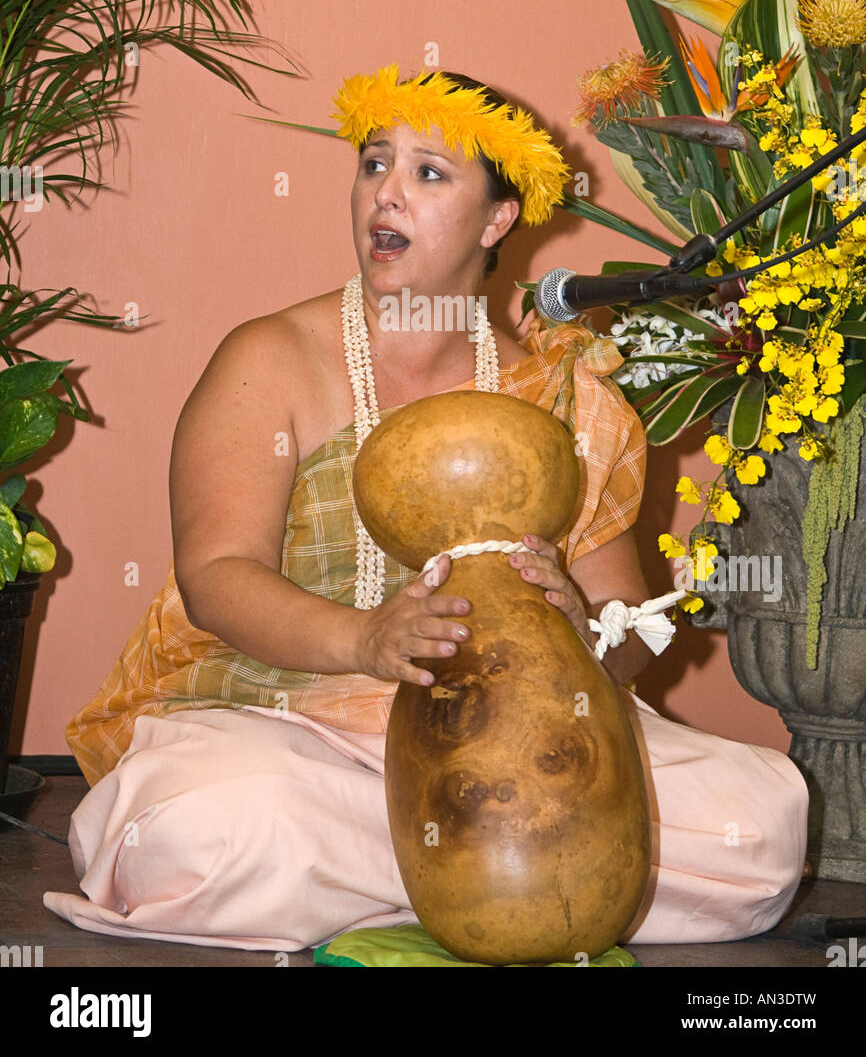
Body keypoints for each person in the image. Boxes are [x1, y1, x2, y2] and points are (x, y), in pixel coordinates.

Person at [43, 65, 808, 954]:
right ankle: (490, 877)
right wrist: (365, 640)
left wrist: (588, 627)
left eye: (427, 173)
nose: (385, 194)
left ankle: (417, 878)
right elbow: (216, 579)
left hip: (527, 753)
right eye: (373, 165)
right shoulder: (272, 360)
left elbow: (629, 641)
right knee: (199, 830)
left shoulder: (562, 391)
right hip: (302, 735)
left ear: (496, 220)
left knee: (759, 830)